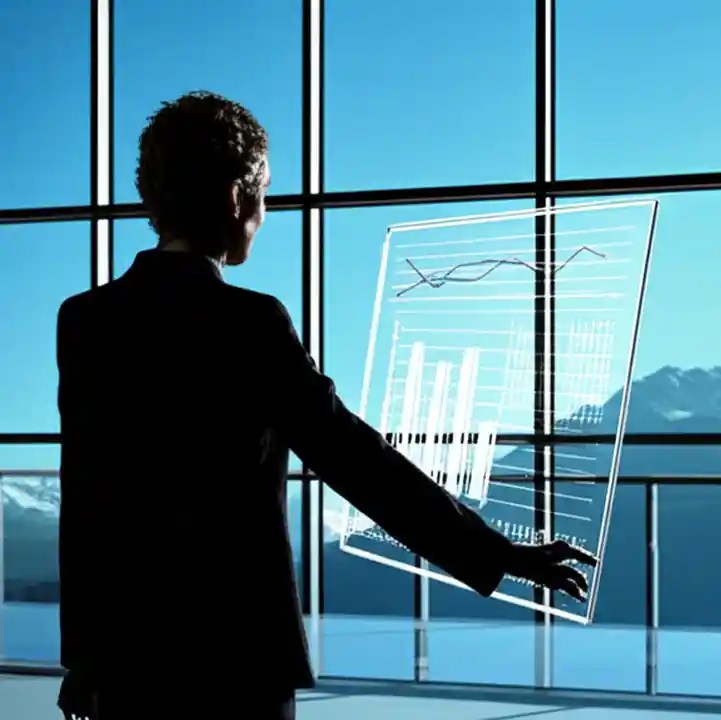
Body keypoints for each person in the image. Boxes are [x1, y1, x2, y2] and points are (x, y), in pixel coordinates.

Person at [54, 91, 594, 720]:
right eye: (264, 195)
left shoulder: (86, 322)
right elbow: (356, 460)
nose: (263, 213)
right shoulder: (249, 323)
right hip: (236, 655)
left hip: (130, 657)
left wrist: (84, 657)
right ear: (235, 197)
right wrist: (499, 553)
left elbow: (87, 496)